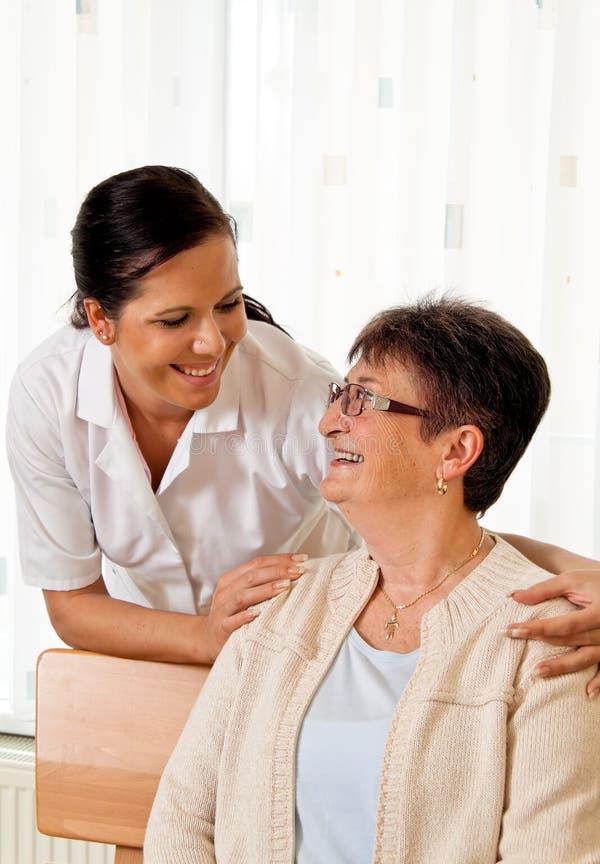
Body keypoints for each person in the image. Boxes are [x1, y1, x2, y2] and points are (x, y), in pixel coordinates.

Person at [6, 165, 600, 672]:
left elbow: (438, 522)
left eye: (228, 304)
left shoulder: (299, 397)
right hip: (153, 666)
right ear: (100, 319)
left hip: (307, 656)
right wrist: (204, 637)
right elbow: (74, 605)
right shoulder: (47, 396)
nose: (213, 343)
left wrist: (580, 572)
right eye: (175, 319)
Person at [144, 298, 599, 864]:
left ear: (456, 451)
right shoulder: (282, 602)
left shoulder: (551, 638)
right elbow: (184, 814)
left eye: (364, 400)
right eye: (340, 394)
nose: (329, 421)